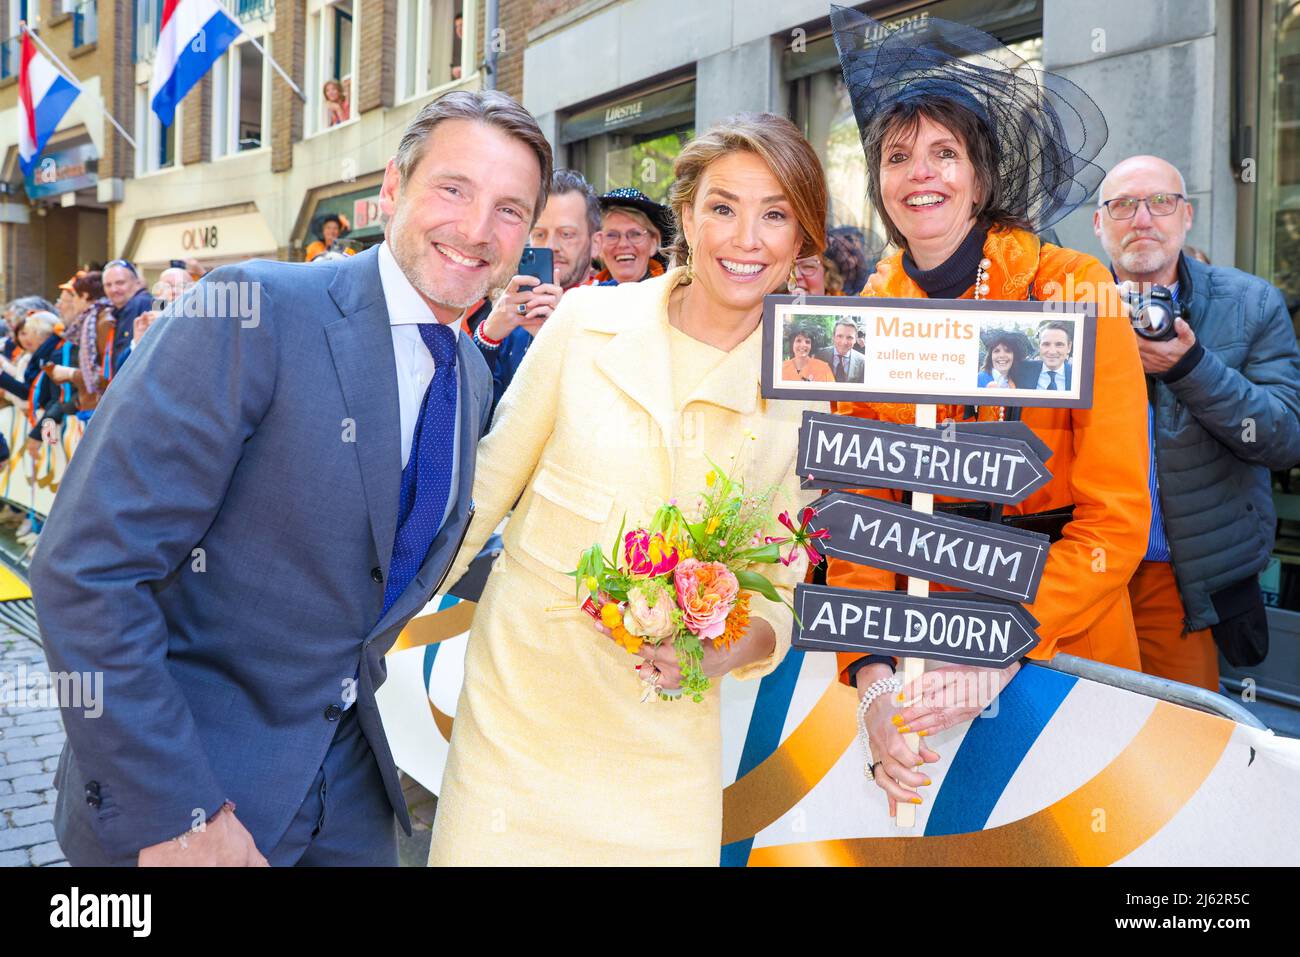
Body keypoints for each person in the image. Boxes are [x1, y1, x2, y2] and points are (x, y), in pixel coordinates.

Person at [31, 89, 550, 867]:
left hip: (347, 802)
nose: (478, 229)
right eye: (454, 188)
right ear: (391, 188)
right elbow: (87, 567)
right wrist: (175, 809)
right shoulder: (254, 311)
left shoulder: (471, 373)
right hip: (189, 802)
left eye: (510, 209)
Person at [427, 113, 826, 866]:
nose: (745, 239)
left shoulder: (806, 396)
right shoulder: (584, 321)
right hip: (516, 730)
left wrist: (714, 652)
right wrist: (355, 630)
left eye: (775, 215)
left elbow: (779, 589)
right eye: (722, 207)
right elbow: (477, 498)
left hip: (661, 758)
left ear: (802, 240)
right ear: (684, 216)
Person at [825, 6, 1150, 817]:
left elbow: (1117, 521)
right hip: (913, 664)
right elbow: (859, 511)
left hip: (1060, 654)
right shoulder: (866, 313)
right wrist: (868, 678)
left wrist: (1000, 639)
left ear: (981, 173)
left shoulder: (1073, 287)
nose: (920, 173)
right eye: (897, 156)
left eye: (945, 152)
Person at [1094, 154, 1300, 691]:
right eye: (1122, 205)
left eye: (1160, 202)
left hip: (1182, 577)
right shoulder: (1067, 304)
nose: (1142, 219)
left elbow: (1284, 437)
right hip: (1085, 567)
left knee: (1177, 745)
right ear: (1099, 224)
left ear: (1186, 217)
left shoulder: (1250, 304)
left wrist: (1189, 368)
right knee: (1076, 733)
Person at [471, 168, 598, 415]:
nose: (552, 246)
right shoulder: (513, 312)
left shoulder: (621, 305)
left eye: (567, 234)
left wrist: (559, 334)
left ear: (597, 244)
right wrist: (488, 336)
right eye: (540, 234)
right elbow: (477, 415)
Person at [593, 187, 672, 284]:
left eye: (635, 234)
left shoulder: (673, 296)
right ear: (598, 244)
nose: (623, 244)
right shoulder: (581, 297)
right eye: (612, 235)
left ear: (653, 243)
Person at [101, 259, 151, 374]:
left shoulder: (140, 304)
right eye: (108, 285)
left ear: (137, 283)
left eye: (120, 283)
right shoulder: (119, 310)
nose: (113, 289)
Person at [1020, 321, 1074, 390]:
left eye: (1059, 344)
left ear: (1069, 347)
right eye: (1046, 344)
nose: (1052, 351)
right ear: (1039, 346)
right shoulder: (1023, 370)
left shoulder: (1078, 377)